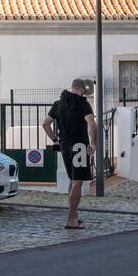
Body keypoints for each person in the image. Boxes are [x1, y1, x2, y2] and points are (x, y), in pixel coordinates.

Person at [44, 79, 98, 229]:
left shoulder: (58, 103)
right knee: (77, 182)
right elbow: (92, 124)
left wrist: (55, 140)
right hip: (79, 146)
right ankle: (71, 219)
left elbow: (45, 124)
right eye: (84, 92)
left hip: (64, 145)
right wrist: (93, 143)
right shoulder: (82, 104)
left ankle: (74, 216)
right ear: (81, 89)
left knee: (72, 180)